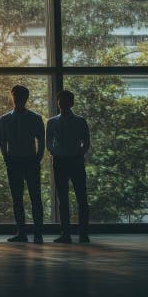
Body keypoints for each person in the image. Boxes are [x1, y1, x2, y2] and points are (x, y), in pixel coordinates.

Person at [0, 85, 46, 244]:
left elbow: (41, 140)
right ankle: (31, 233)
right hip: (21, 160)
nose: (18, 100)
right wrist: (7, 158)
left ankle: (29, 233)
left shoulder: (7, 119)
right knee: (24, 198)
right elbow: (40, 140)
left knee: (29, 198)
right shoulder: (33, 118)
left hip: (25, 160)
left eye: (19, 97)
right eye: (16, 96)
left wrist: (37, 158)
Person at [46, 90, 91, 244]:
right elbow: (48, 143)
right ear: (58, 103)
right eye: (61, 101)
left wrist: (78, 153)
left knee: (80, 198)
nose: (63, 104)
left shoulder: (80, 121)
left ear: (71, 103)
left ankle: (81, 233)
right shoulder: (52, 122)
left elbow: (86, 142)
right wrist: (56, 153)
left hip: (74, 161)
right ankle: (68, 233)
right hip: (61, 162)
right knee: (63, 199)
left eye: (65, 101)